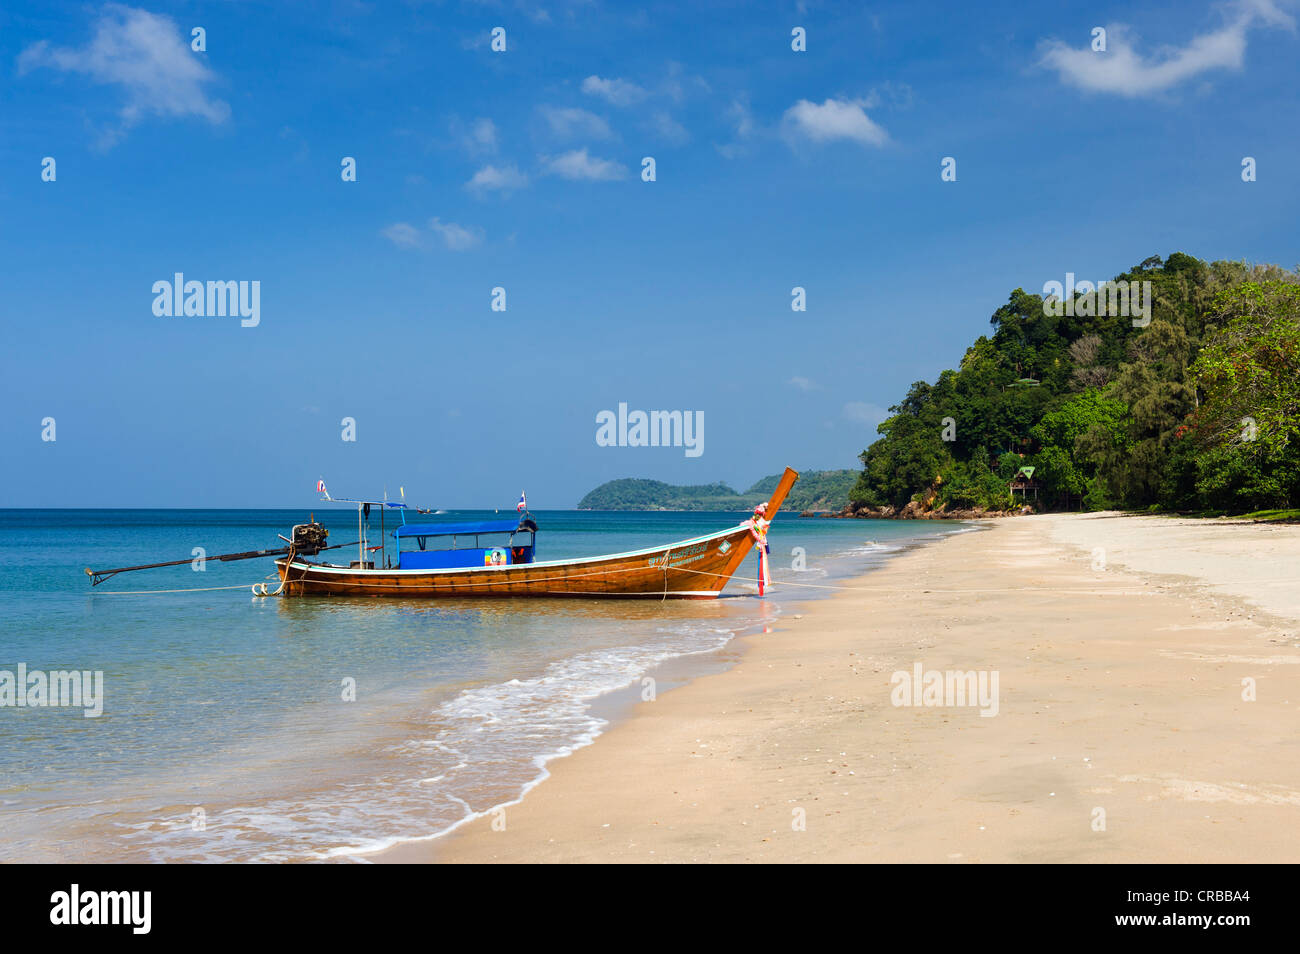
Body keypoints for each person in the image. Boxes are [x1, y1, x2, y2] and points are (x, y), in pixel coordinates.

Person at [748, 503, 771, 595]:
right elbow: (755, 527)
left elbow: (762, 529)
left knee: (762, 560)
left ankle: (761, 584)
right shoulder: (755, 521)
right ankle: (761, 584)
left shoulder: (758, 521)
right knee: (762, 560)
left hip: (761, 540)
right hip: (761, 540)